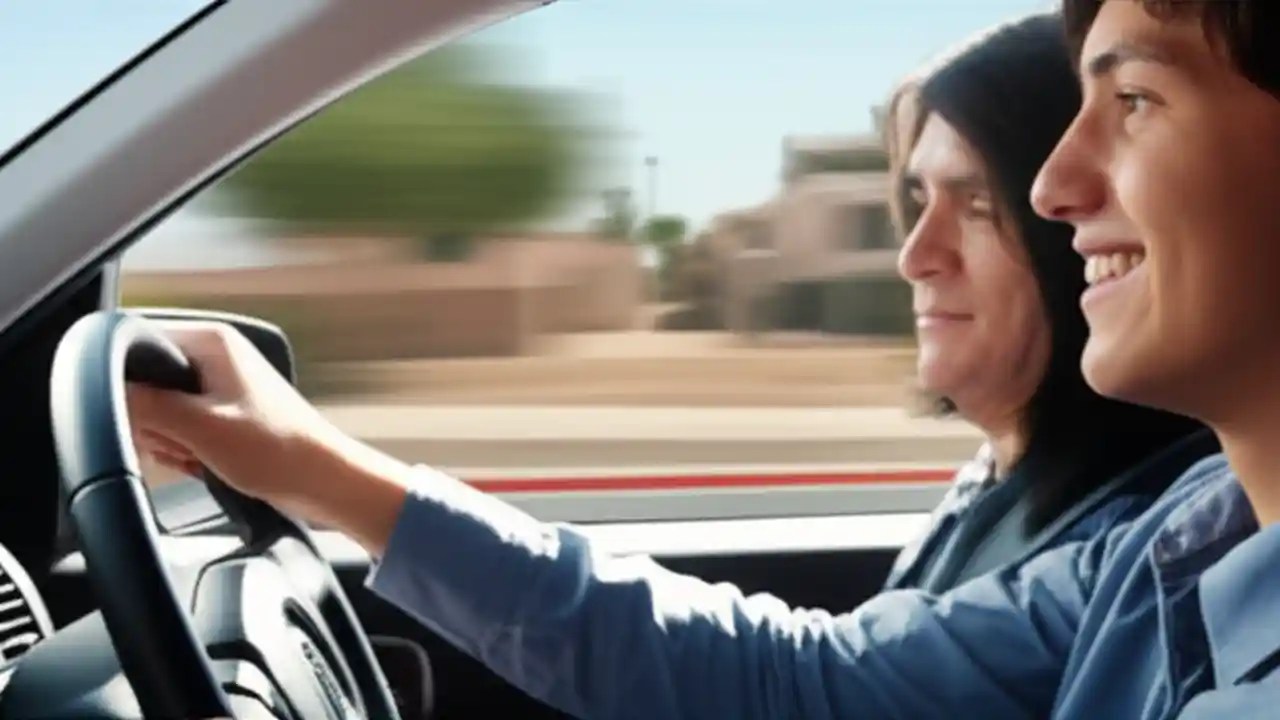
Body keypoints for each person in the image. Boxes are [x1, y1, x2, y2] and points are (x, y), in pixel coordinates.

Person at [127, 1, 1280, 718]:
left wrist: (325, 473)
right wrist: (318, 470)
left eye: (1132, 98)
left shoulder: (1132, 530)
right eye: (909, 199)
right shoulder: (1175, 539)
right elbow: (813, 687)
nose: (1055, 187)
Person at [879, 13, 1214, 593]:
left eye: (979, 206)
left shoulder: (1123, 540)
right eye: (919, 201)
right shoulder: (1000, 483)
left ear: (1079, 233)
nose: (917, 256)